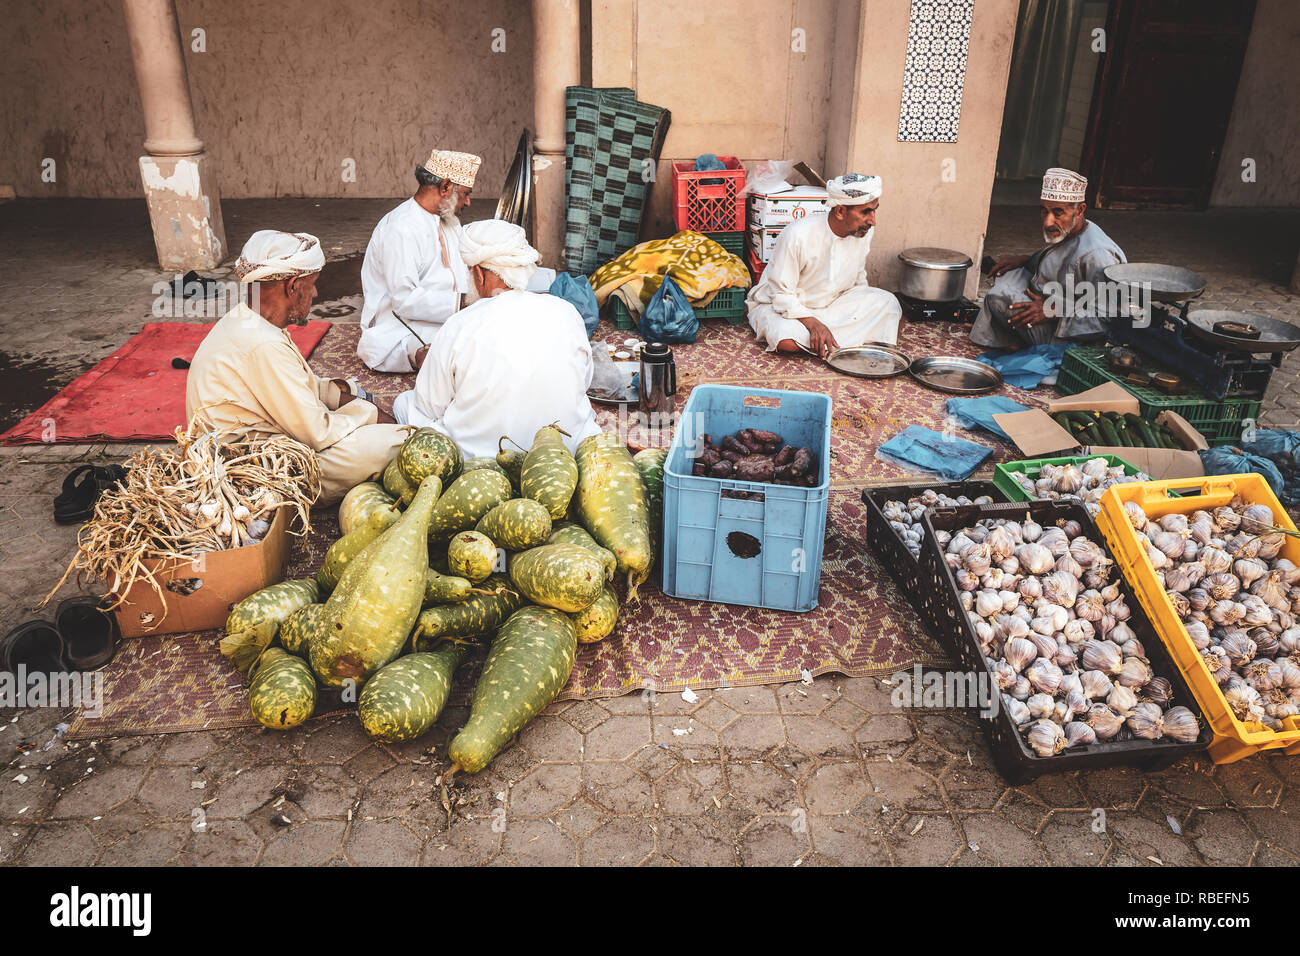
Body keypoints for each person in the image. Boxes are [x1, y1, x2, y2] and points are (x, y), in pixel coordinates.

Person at [187, 230, 410, 505]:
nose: (315, 293)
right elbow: (316, 432)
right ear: (292, 286)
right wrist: (370, 414)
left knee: (343, 398)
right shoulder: (264, 344)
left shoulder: (247, 321)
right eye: (312, 285)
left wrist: (341, 395)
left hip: (255, 447)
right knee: (391, 442)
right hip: (250, 473)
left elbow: (303, 385)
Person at [392, 220, 601, 458]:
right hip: (563, 452)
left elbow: (430, 405)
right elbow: (583, 382)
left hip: (480, 459)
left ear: (479, 274)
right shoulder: (566, 312)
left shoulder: (459, 324)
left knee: (405, 403)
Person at [746, 173, 902, 357]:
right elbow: (780, 294)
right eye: (865, 212)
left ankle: (827, 340)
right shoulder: (798, 235)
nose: (872, 220)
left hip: (833, 304)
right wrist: (813, 323)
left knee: (889, 303)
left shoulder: (864, 231)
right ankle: (838, 339)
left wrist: (862, 308)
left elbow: (858, 280)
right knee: (786, 339)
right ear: (840, 211)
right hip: (787, 308)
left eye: (874, 210)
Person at [970, 167, 1127, 349]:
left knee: (998, 298)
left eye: (1058, 212)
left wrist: (1054, 311)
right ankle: (1004, 335)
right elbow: (1058, 262)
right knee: (1007, 274)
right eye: (1044, 211)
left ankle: (1010, 341)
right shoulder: (1071, 231)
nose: (1047, 221)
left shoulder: (1098, 256)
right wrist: (1025, 259)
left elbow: (1110, 318)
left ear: (1079, 210)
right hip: (1049, 302)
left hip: (1071, 338)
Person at [356, 149, 481, 372]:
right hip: (399, 325)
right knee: (467, 352)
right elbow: (404, 301)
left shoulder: (449, 221)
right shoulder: (402, 228)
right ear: (445, 187)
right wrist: (466, 302)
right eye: (466, 193)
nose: (469, 202)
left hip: (448, 314)